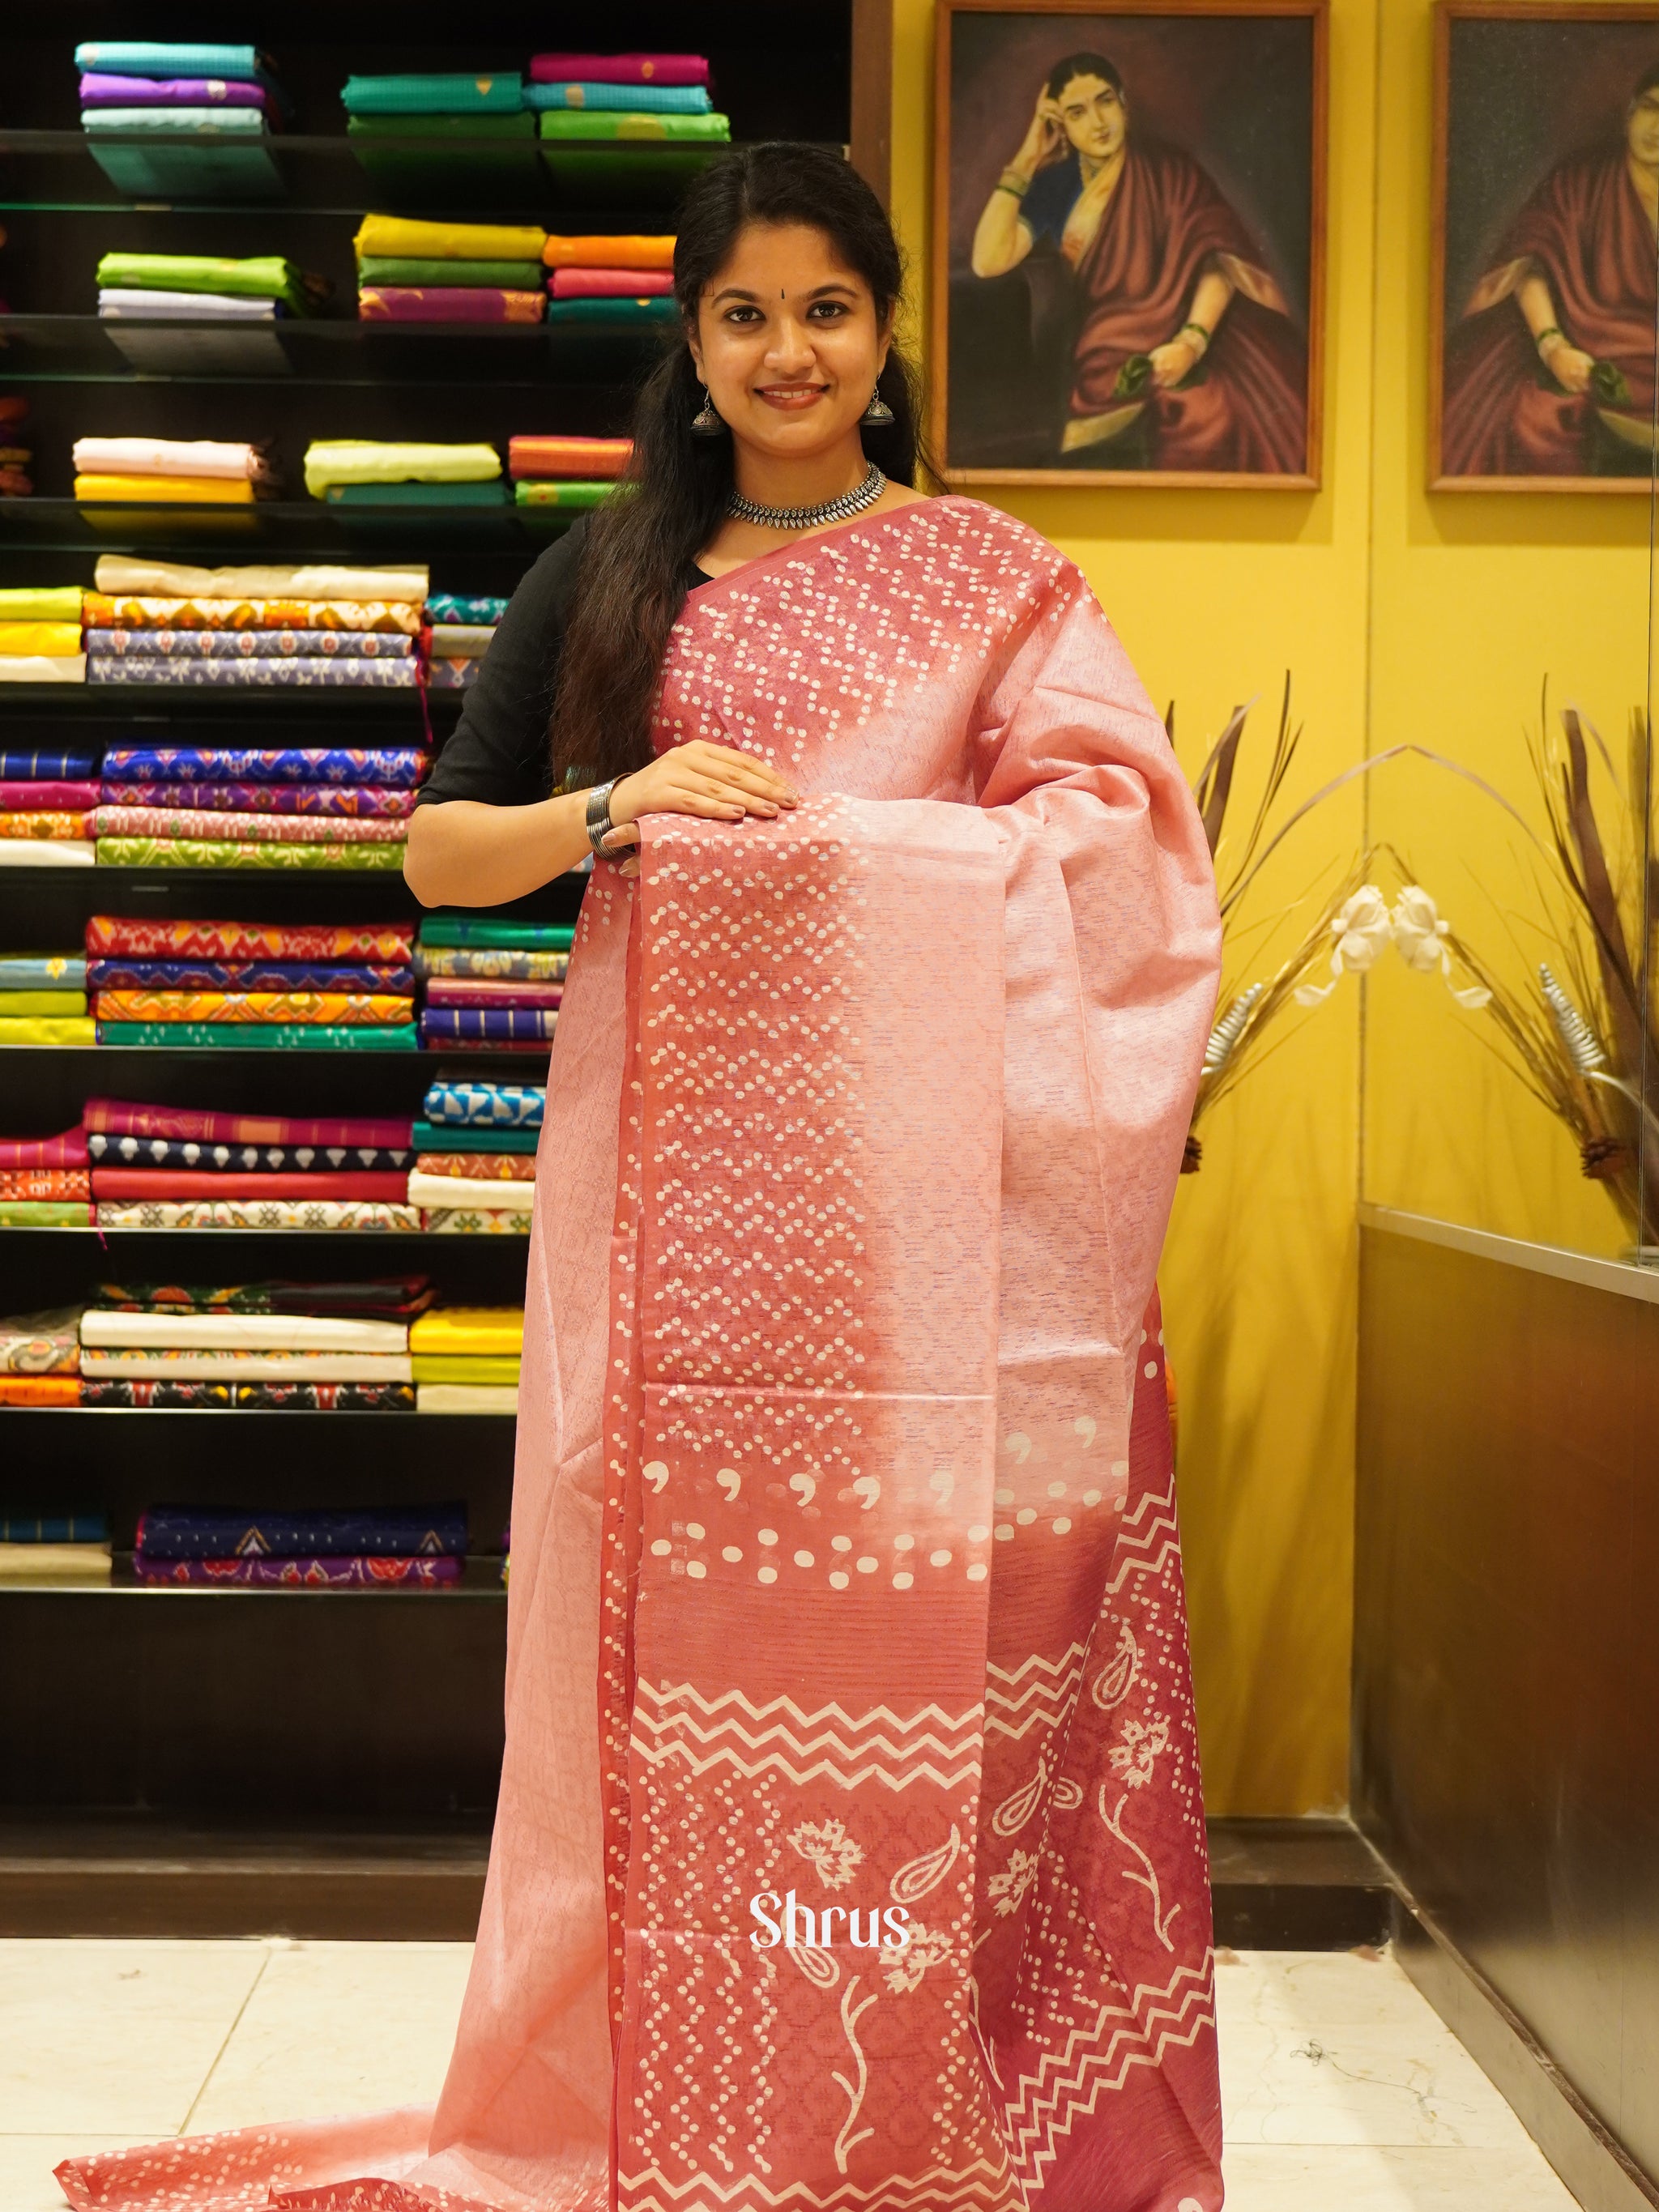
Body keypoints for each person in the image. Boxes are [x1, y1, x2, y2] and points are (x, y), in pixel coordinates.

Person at [57, 144, 1224, 2212]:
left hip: (924, 1265)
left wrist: (856, 864)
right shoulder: (611, 582)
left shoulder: (989, 578)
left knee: (912, 1671)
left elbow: (1115, 847)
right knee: (666, 1688)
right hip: (671, 1247)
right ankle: (685, 2110)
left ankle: (895, 2119)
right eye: (745, 314)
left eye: (829, 310)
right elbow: (439, 857)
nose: (790, 351)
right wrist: (619, 803)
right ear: (687, 349)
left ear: (886, 335)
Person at [972, 50, 1307, 471]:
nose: (1098, 121)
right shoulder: (1055, 188)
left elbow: (1218, 261)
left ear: (1124, 105)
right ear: (1059, 125)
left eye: (1106, 101)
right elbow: (988, 261)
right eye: (1078, 112)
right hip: (1100, 360)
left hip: (1186, 343)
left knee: (1211, 413)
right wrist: (1026, 158)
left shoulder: (1172, 174)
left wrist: (1190, 342)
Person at [1440, 62, 1659, 477]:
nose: (1657, 127)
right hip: (1590, 365)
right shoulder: (1578, 185)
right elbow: (1529, 265)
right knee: (1530, 421)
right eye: (1650, 107)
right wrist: (1553, 345)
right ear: (1631, 114)